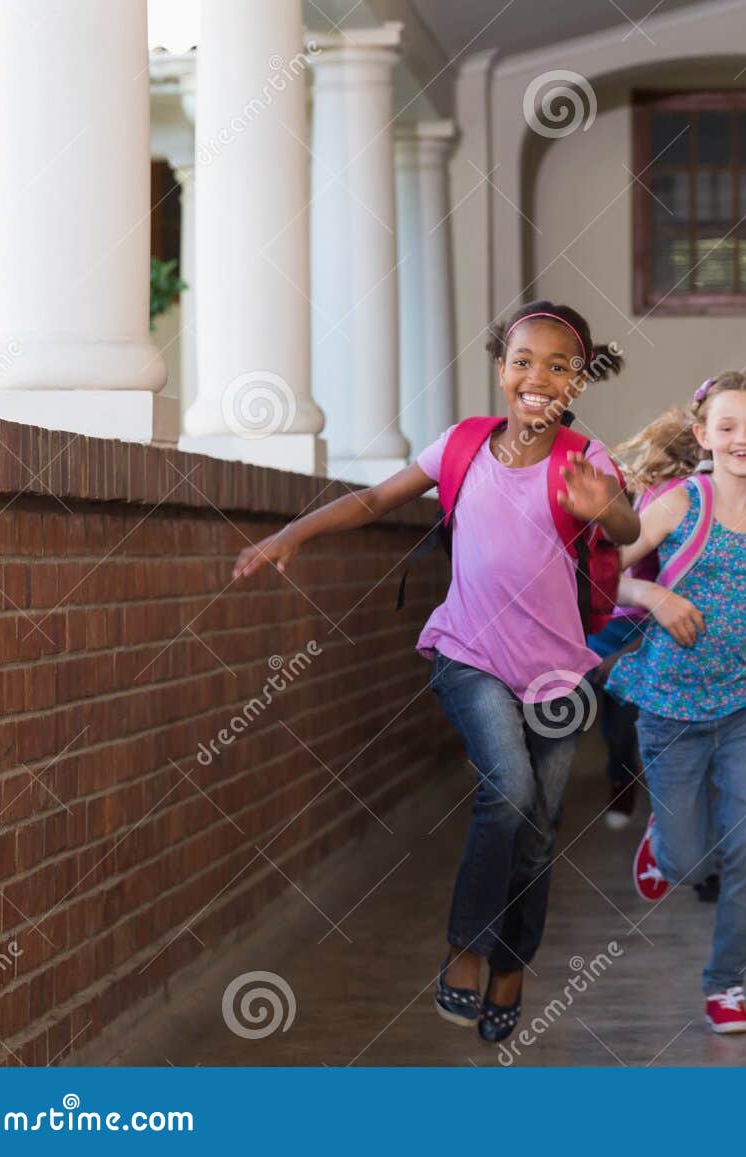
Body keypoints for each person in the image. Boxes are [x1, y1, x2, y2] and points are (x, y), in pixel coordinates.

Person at [232, 301, 639, 1046]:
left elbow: (628, 528)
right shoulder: (461, 445)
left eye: (558, 367)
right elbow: (374, 498)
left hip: (556, 677)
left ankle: (511, 968)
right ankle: (465, 947)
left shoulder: (587, 460)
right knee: (508, 789)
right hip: (468, 653)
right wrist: (296, 530)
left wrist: (603, 507)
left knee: (538, 832)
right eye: (523, 361)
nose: (538, 377)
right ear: (501, 369)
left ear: (577, 381)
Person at [607, 371, 746, 1034]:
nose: (744, 437)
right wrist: (653, 594)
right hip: (668, 706)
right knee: (686, 861)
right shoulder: (679, 503)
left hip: (742, 706)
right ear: (703, 435)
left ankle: (726, 983)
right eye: (728, 426)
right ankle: (662, 845)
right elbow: (600, 575)